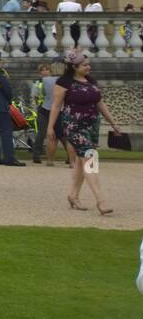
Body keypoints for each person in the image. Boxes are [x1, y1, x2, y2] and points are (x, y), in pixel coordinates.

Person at [48, 53, 122, 215]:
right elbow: (56, 106)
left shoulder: (91, 81)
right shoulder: (63, 82)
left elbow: (100, 103)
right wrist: (50, 127)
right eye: (84, 65)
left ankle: (73, 196)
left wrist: (113, 123)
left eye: (89, 64)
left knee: (83, 161)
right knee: (90, 157)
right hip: (74, 125)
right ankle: (101, 200)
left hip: (92, 124)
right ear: (74, 67)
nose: (88, 67)